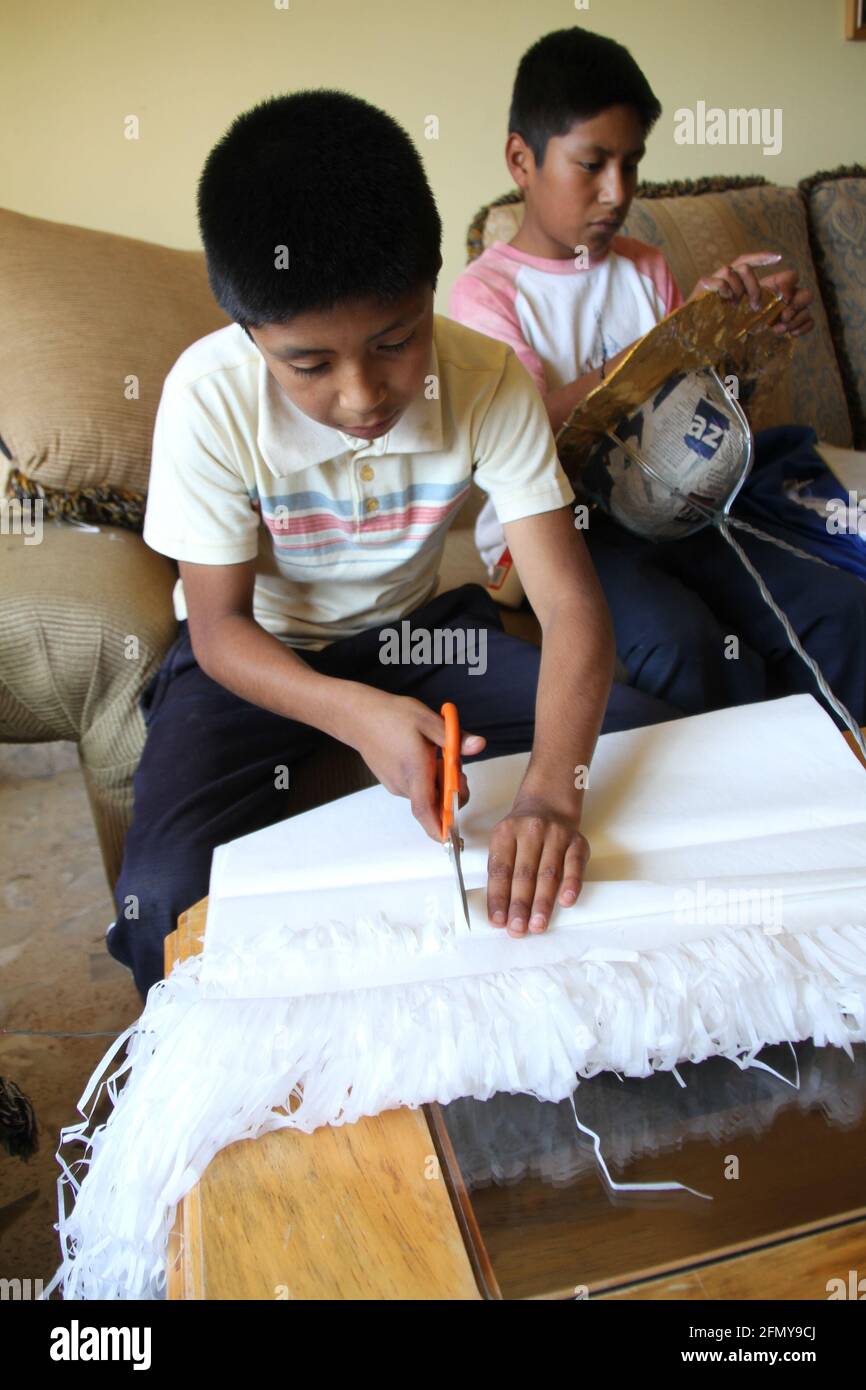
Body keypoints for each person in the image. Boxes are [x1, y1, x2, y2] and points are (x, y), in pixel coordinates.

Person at [107, 89, 675, 998]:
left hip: (417, 635)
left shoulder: (489, 379)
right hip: (262, 657)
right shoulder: (206, 396)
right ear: (251, 335)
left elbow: (572, 608)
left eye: (397, 341)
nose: (363, 394)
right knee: (163, 894)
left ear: (431, 292)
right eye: (309, 365)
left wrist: (550, 795)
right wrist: (354, 714)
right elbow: (217, 633)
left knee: (639, 733)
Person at [450, 26, 866, 724]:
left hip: (679, 504)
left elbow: (700, 411)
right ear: (522, 160)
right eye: (592, 164)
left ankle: (832, 787)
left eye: (631, 163)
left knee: (842, 610)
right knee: (682, 642)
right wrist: (660, 348)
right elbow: (525, 437)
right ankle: (741, 801)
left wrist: (746, 336)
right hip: (560, 529)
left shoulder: (642, 267)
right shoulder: (486, 295)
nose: (618, 192)